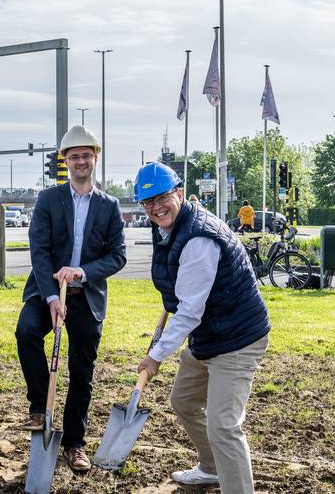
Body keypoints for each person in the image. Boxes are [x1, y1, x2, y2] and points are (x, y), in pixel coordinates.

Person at [133, 162, 270, 493]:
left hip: (238, 337)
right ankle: (211, 468)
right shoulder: (168, 227)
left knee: (223, 425)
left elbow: (191, 310)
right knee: (184, 401)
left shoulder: (199, 237)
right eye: (148, 202)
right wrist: (170, 298)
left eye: (162, 197)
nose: (155, 207)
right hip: (210, 334)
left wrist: (156, 356)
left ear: (179, 193)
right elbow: (178, 285)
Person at [15, 125, 126, 472]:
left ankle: (75, 444)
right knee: (26, 332)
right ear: (65, 161)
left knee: (82, 372)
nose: (80, 161)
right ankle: (39, 406)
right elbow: (40, 250)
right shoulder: (49, 200)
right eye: (73, 155)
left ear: (95, 158)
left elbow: (117, 256)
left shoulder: (109, 206)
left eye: (86, 155)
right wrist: (50, 296)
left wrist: (82, 272)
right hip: (46, 291)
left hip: (86, 296)